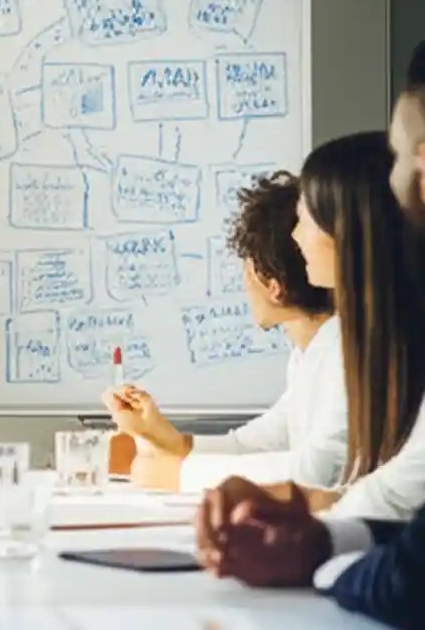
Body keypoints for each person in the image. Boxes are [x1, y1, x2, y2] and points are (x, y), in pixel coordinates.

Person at [193, 52, 425, 629]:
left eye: (405, 157)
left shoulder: (362, 342)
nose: (295, 237)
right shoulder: (343, 343)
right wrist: (319, 526)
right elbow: (399, 500)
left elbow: (398, 536)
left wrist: (319, 541)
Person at [102, 171, 344, 492]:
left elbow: (319, 469)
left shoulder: (344, 350)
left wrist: (182, 476)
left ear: (273, 286)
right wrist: (168, 439)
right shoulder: (310, 352)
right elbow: (263, 441)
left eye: (246, 270)